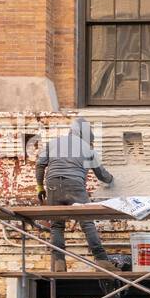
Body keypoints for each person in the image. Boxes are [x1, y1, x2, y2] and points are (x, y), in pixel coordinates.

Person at [36, 117, 118, 272]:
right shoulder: (87, 148)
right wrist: (112, 180)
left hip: (53, 185)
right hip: (75, 185)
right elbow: (101, 174)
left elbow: (40, 165)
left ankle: (58, 263)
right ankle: (101, 260)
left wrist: (40, 187)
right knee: (86, 222)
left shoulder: (53, 143)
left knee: (57, 225)